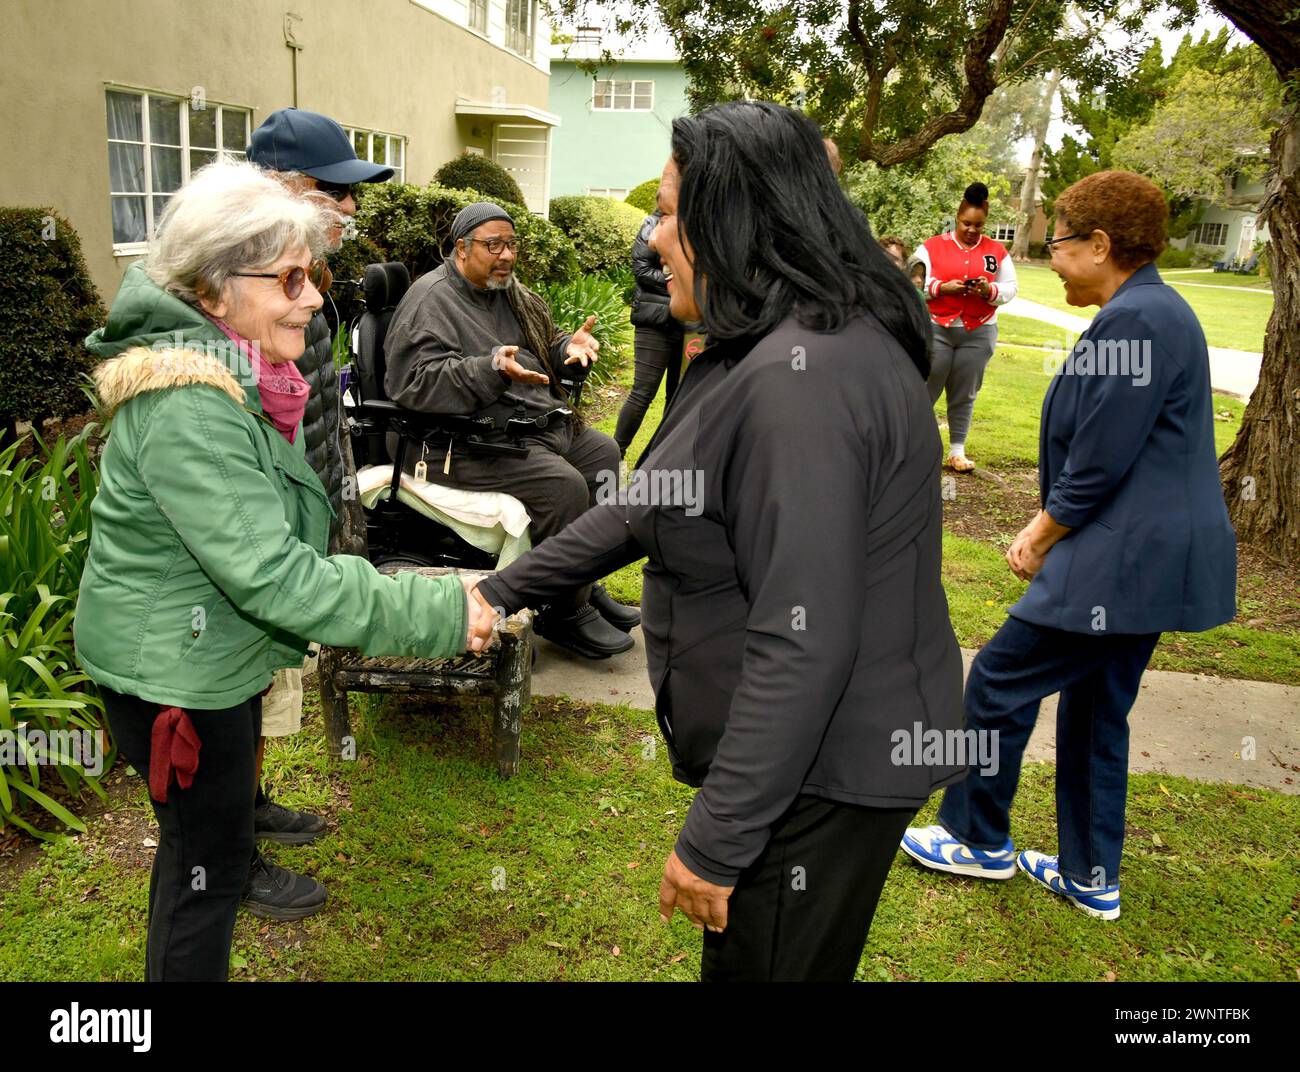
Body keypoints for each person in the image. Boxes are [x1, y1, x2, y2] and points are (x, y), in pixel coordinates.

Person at [467, 101, 965, 981]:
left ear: (733, 222)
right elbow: (645, 504)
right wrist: (500, 592)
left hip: (824, 769)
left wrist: (718, 840)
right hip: (808, 755)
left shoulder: (802, 380)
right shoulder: (756, 348)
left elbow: (803, 638)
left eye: (667, 213)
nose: (655, 239)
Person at [78, 160, 484, 980]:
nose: (313, 297)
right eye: (291, 278)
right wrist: (438, 611)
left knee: (206, 860)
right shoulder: (190, 406)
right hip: (175, 686)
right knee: (207, 876)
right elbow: (274, 576)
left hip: (200, 663)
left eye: (318, 273)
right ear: (217, 290)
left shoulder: (243, 374)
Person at [901, 170, 1237, 921]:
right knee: (1093, 710)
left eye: (1056, 245)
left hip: (1126, 560)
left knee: (995, 679)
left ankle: (978, 838)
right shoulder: (1154, 310)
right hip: (1146, 558)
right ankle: (1091, 875)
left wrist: (1041, 531)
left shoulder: (1139, 321)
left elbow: (1102, 456)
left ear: (1100, 245)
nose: (1050, 259)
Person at [242, 107, 395, 909]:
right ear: (282, 187)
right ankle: (225, 855)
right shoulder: (235, 292)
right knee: (243, 688)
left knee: (272, 684)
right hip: (258, 533)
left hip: (315, 502)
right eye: (334, 192)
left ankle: (249, 807)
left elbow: (323, 411)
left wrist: (339, 509)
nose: (349, 210)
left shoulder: (310, 282)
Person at [383, 201, 640, 660]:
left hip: (520, 426)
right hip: (456, 443)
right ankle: (562, 610)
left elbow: (545, 340)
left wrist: (570, 348)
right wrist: (490, 370)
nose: (505, 255)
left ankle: (579, 582)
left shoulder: (508, 291)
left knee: (601, 455)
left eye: (511, 244)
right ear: (461, 248)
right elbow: (412, 383)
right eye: (493, 245)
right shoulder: (431, 300)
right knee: (562, 488)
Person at [914, 181, 1018, 472]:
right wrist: (942, 288)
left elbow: (1010, 289)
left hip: (978, 330)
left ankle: (957, 451)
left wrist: (988, 292)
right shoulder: (932, 247)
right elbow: (914, 283)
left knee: (965, 391)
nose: (972, 230)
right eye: (966, 224)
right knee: (926, 385)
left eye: (979, 226)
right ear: (956, 219)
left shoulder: (997, 252)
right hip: (938, 328)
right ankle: (913, 444)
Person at [613, 209, 685, 454]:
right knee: (643, 392)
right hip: (655, 321)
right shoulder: (652, 223)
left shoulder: (700, 222)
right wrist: (682, 284)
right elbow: (642, 271)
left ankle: (662, 456)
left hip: (690, 324)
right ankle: (616, 453)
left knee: (678, 396)